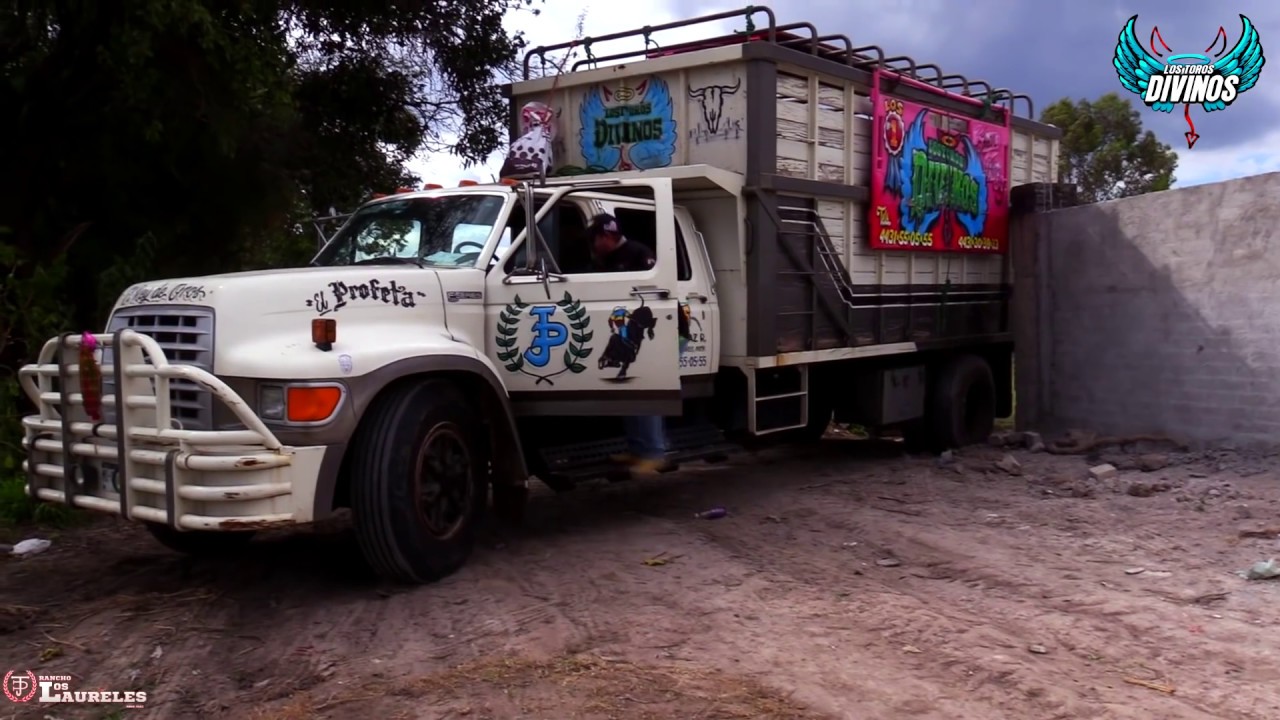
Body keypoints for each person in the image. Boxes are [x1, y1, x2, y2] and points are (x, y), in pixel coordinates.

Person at [585, 213, 668, 476]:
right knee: (627, 391)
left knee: (645, 390)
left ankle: (654, 453)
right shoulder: (607, 260)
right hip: (623, 332)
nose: (593, 245)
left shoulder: (639, 254)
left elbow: (652, 293)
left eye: (594, 239)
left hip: (640, 332)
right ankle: (637, 449)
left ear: (607, 235)